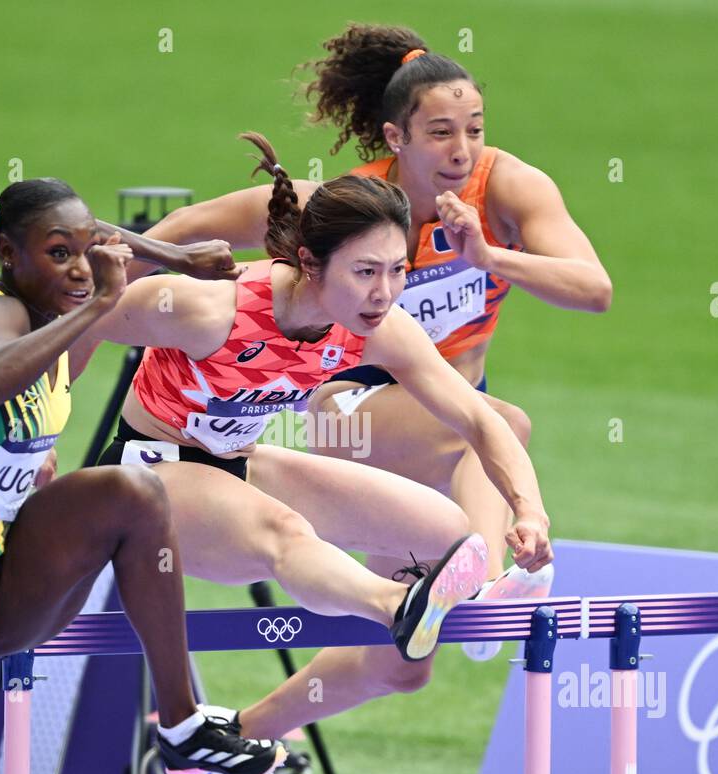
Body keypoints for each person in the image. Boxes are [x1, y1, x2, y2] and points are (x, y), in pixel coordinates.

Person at [92, 132, 555, 774]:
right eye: (367, 271)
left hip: (236, 460)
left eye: (398, 271)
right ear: (309, 263)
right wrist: (30, 458)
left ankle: (457, 590)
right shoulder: (206, 309)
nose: (386, 292)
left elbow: (476, 418)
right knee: (284, 534)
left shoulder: (373, 327)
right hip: (145, 476)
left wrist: (528, 509)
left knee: (448, 533)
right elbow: (76, 320)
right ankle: (397, 607)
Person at [131, 23, 612, 611]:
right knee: (496, 426)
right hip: (348, 412)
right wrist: (136, 273)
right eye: (439, 133)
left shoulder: (503, 188)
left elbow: (595, 290)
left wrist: (489, 257)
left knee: (397, 660)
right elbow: (182, 231)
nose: (461, 150)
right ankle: (484, 591)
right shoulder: (338, 210)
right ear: (396, 136)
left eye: (475, 130)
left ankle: (259, 704)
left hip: (430, 418)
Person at [0, 178, 283, 774]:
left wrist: (174, 257)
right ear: (7, 254)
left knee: (133, 491)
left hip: (3, 585)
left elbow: (106, 242)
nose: (77, 268)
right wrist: (100, 299)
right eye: (56, 253)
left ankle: (182, 725)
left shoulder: (62, 310)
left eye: (84, 253)